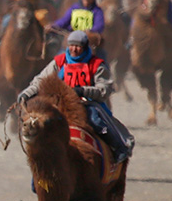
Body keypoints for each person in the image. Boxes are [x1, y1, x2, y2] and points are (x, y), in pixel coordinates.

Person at [16, 30, 134, 164]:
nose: (74, 49)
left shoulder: (96, 65)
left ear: (84, 47)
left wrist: (83, 91)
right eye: (71, 45)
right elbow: (40, 80)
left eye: (78, 46)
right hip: (61, 104)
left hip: (87, 104)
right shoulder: (59, 62)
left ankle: (118, 147)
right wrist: (27, 92)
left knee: (96, 121)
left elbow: (104, 89)